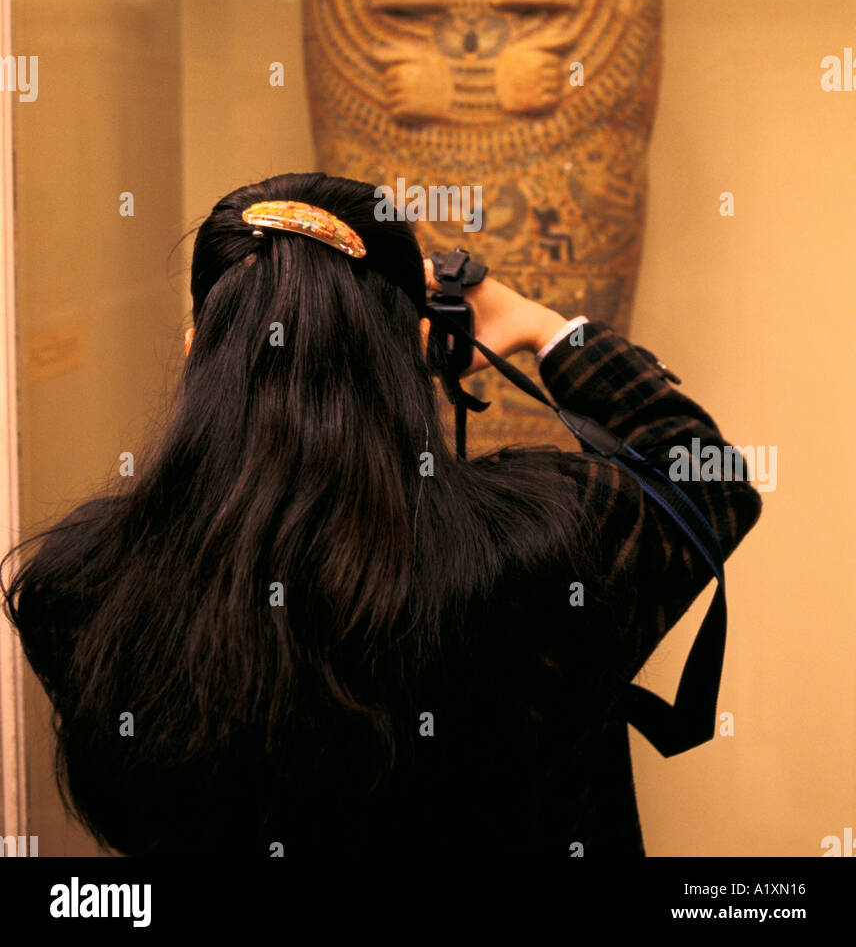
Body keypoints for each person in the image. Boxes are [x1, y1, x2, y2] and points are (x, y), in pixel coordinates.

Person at [1, 171, 762, 857]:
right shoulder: (543, 545)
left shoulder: (79, 585)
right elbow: (713, 480)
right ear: (424, 348)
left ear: (199, 347)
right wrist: (543, 327)